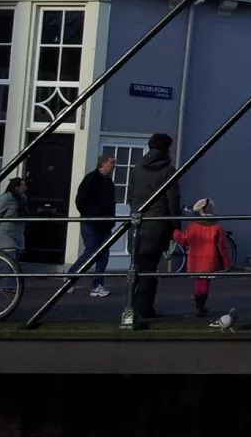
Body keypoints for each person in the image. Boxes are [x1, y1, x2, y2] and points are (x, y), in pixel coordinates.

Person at [127, 133, 181, 319]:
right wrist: (176, 225)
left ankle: (132, 306)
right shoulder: (168, 171)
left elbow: (131, 195)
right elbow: (173, 201)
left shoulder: (137, 168)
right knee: (150, 269)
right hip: (157, 224)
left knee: (136, 268)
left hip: (137, 222)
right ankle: (144, 309)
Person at [172, 198, 233, 316]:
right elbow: (222, 248)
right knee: (205, 283)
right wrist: (226, 264)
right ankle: (200, 307)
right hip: (210, 260)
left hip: (195, 260)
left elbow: (184, 240)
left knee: (198, 282)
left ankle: (198, 306)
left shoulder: (193, 226)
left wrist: (174, 232)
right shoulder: (217, 227)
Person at [72, 154, 118, 297]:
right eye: (112, 162)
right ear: (103, 163)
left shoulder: (109, 182)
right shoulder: (91, 178)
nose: (114, 165)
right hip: (91, 222)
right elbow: (80, 200)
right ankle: (70, 277)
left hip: (105, 224)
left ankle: (97, 285)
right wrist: (89, 215)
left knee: (104, 254)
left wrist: (111, 219)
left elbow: (111, 203)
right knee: (90, 252)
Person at [0, 178, 30, 263]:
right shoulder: (5, 198)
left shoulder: (23, 198)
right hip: (6, 234)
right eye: (23, 185)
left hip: (18, 233)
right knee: (7, 259)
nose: (26, 187)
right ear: (16, 187)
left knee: (14, 261)